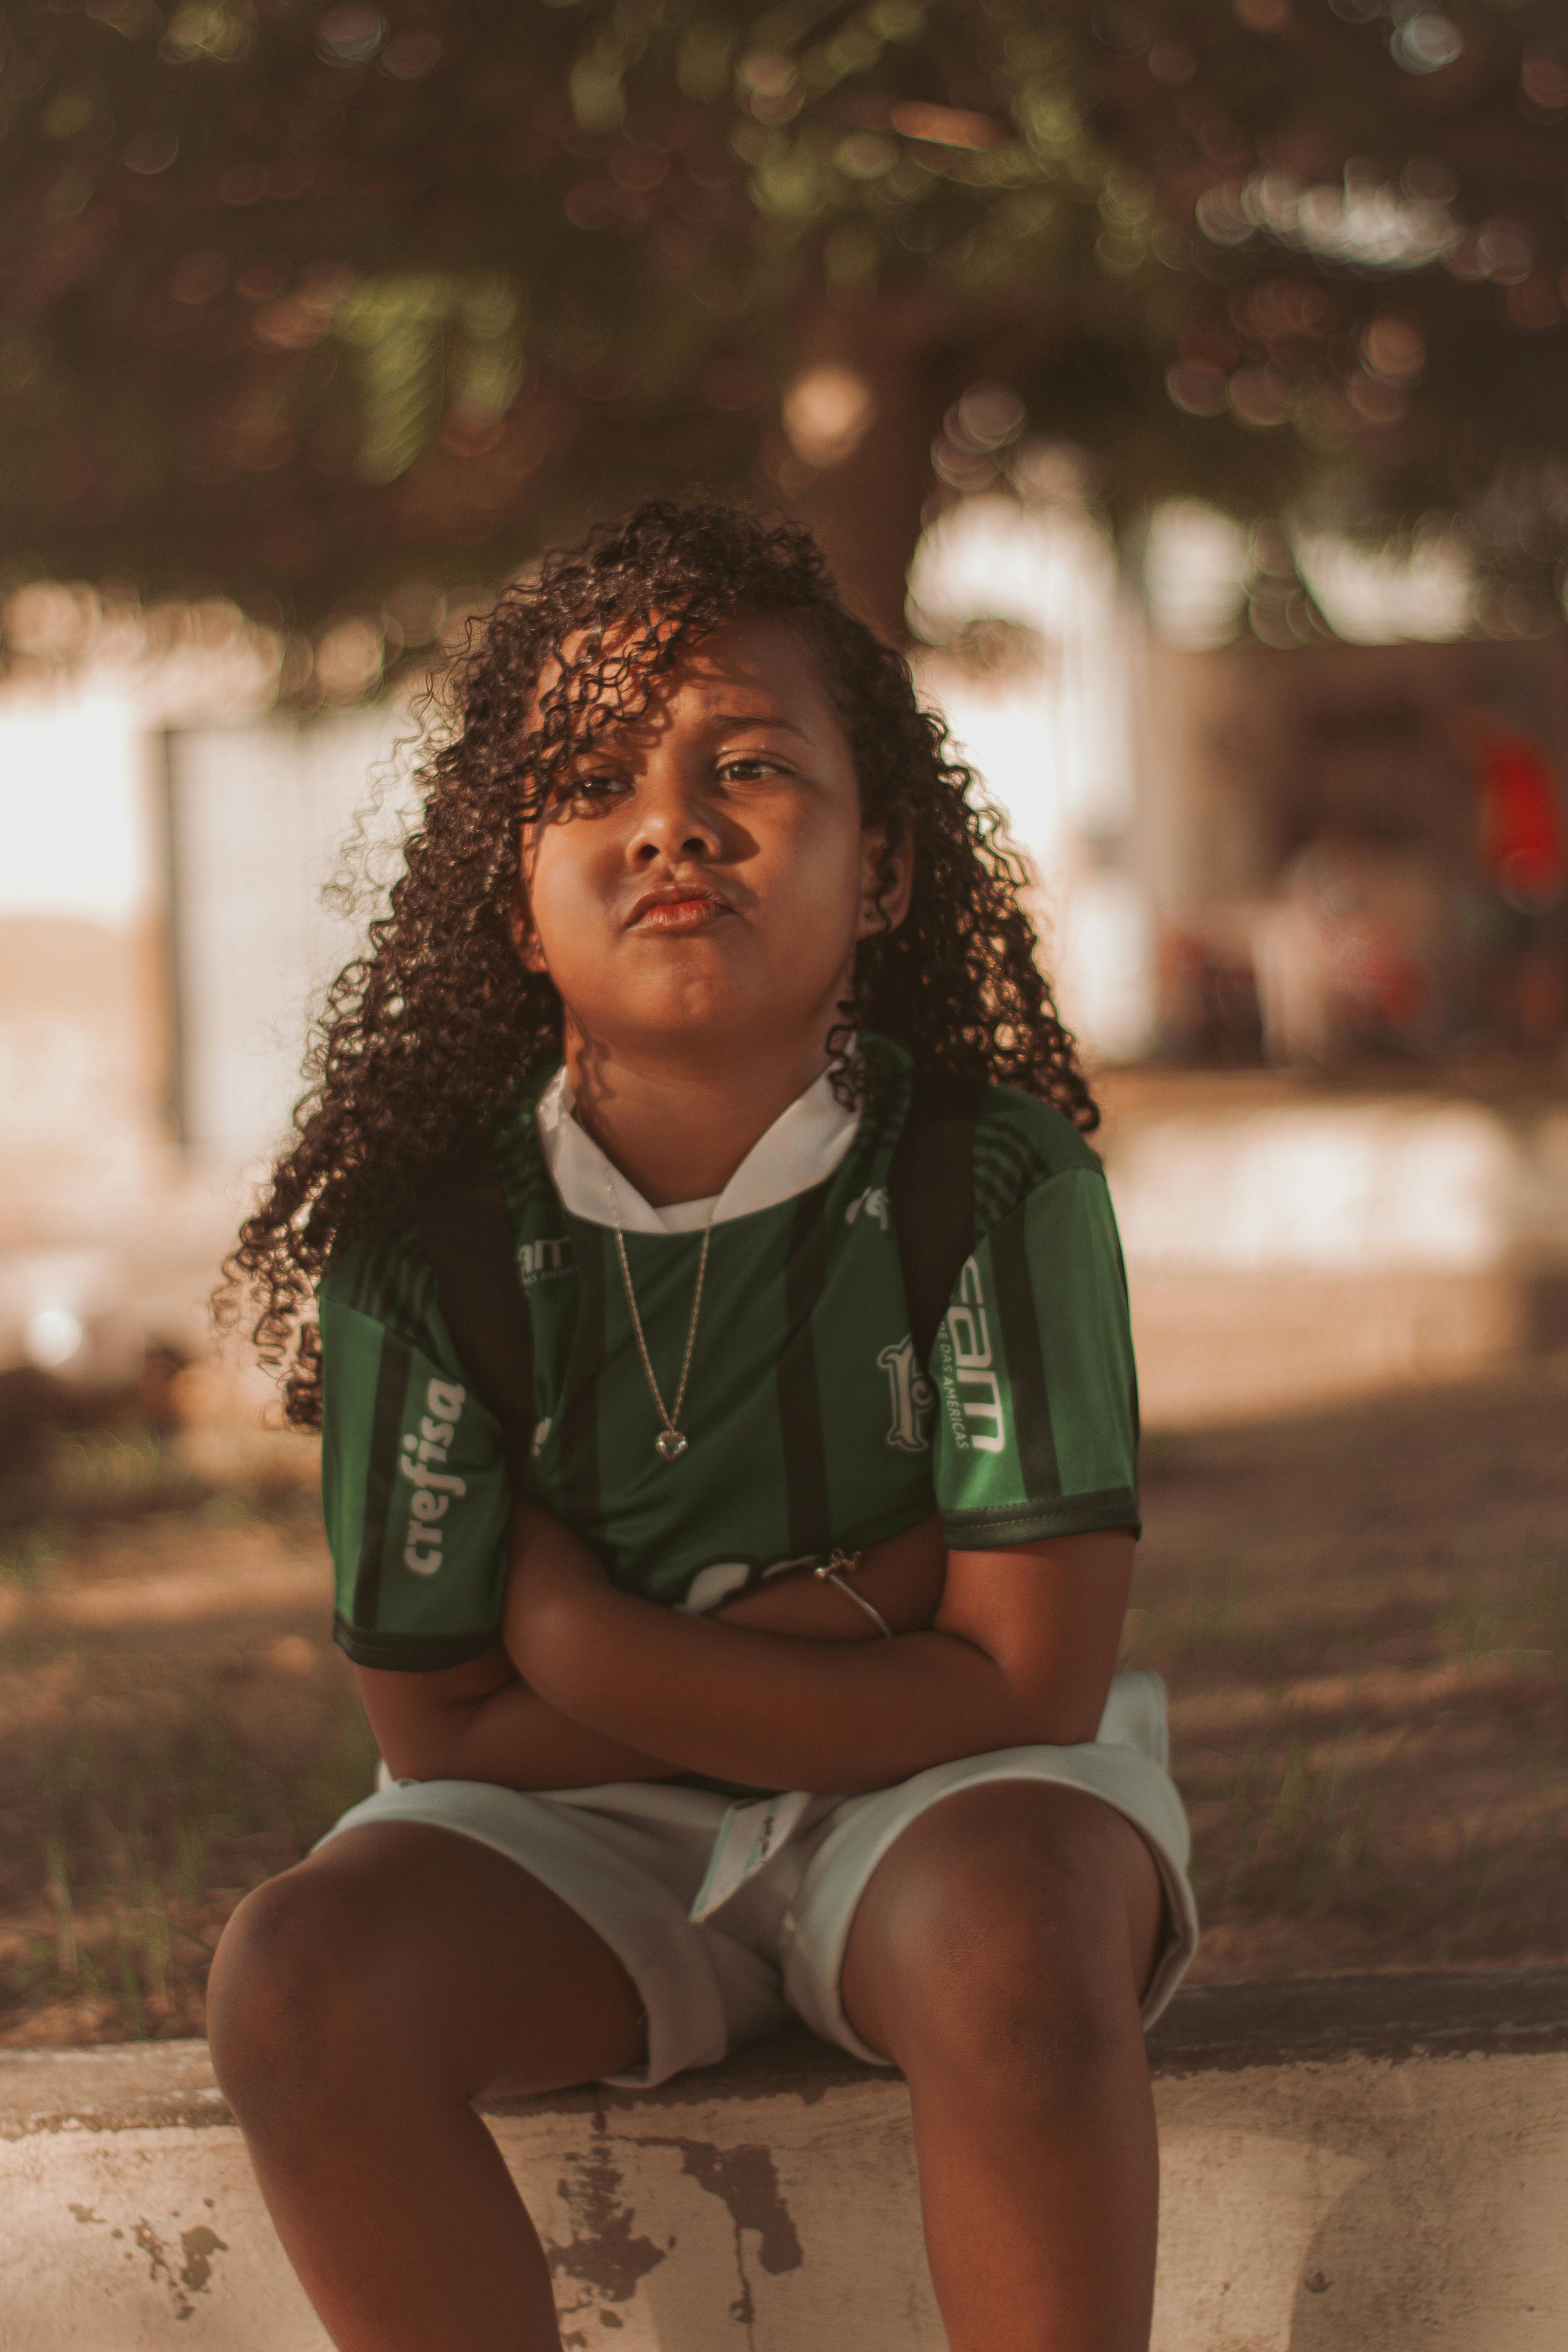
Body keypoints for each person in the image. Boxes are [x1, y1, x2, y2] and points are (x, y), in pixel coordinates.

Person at [210, 499, 1197, 2352]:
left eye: (751, 765)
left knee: (1013, 1933)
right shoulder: (428, 1254)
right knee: (297, 1981)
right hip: (575, 1851)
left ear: (888, 866)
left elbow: (1032, 1692)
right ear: (509, 898)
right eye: (592, 784)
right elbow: (437, 1734)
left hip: (943, 1811)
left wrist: (579, 1636)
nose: (673, 821)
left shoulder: (988, 1185)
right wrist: (883, 1600)